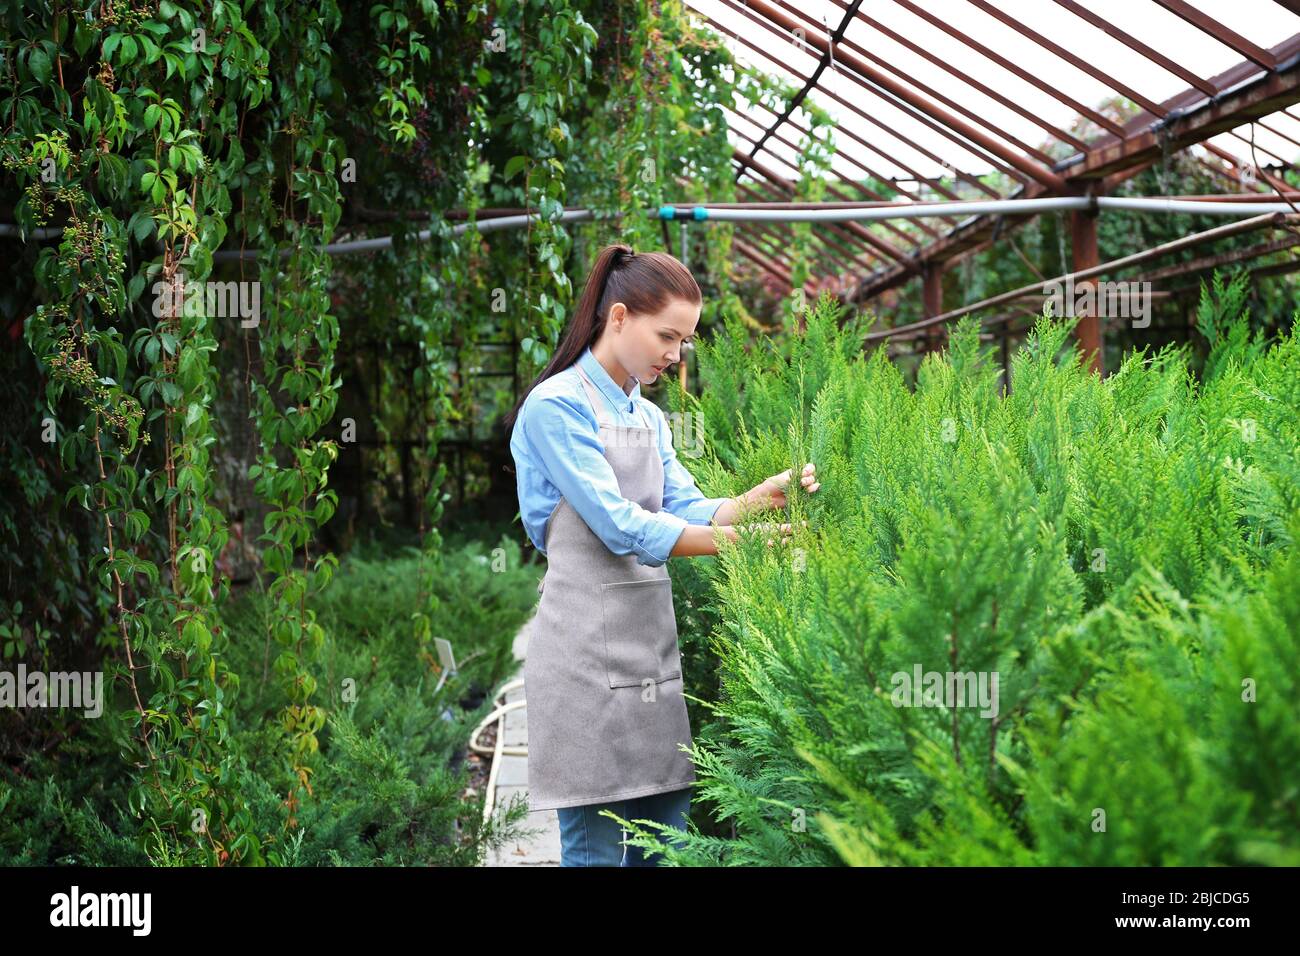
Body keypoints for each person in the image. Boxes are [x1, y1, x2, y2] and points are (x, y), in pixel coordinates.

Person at [504, 243, 819, 866]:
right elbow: (620, 527)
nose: (675, 355)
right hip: (581, 660)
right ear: (618, 318)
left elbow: (686, 509)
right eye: (667, 336)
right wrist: (741, 543)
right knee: (595, 852)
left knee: (666, 846)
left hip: (648, 649)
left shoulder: (648, 418)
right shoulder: (556, 407)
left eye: (685, 341)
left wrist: (755, 501)